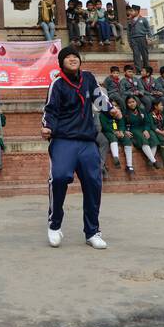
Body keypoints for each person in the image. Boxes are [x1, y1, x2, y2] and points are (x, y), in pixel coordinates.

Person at [43, 44, 109, 250]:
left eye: (75, 56)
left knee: (93, 183)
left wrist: (112, 110)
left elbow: (100, 97)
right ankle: (55, 225)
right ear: (61, 62)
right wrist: (47, 127)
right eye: (68, 57)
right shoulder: (58, 84)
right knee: (60, 177)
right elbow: (50, 109)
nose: (73, 59)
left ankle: (92, 232)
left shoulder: (88, 78)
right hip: (64, 139)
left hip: (88, 141)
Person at [124, 96, 160, 171]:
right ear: (127, 104)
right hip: (134, 129)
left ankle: (150, 159)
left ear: (136, 102)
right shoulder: (125, 113)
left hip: (143, 128)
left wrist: (146, 130)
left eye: (133, 102)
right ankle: (154, 161)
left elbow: (147, 122)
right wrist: (125, 131)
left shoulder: (142, 110)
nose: (131, 104)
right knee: (143, 139)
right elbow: (122, 124)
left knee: (153, 137)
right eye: (129, 103)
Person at [126, 4, 152, 73]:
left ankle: (146, 69)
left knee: (144, 54)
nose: (131, 12)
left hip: (142, 38)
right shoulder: (130, 21)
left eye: (132, 11)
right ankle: (138, 70)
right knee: (136, 54)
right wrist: (129, 41)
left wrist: (149, 38)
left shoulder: (143, 19)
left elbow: (148, 29)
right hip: (133, 39)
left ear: (137, 11)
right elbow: (128, 32)